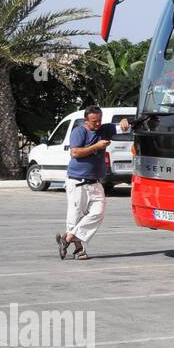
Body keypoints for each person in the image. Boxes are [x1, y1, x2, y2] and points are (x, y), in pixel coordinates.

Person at [56, 107, 130, 260]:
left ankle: (67, 238)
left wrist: (124, 122)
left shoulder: (105, 129)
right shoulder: (79, 132)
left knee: (98, 213)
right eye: (94, 121)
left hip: (95, 181)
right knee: (75, 216)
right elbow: (75, 153)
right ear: (86, 120)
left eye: (99, 120)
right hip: (77, 181)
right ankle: (79, 250)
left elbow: (124, 127)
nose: (97, 124)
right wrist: (96, 146)